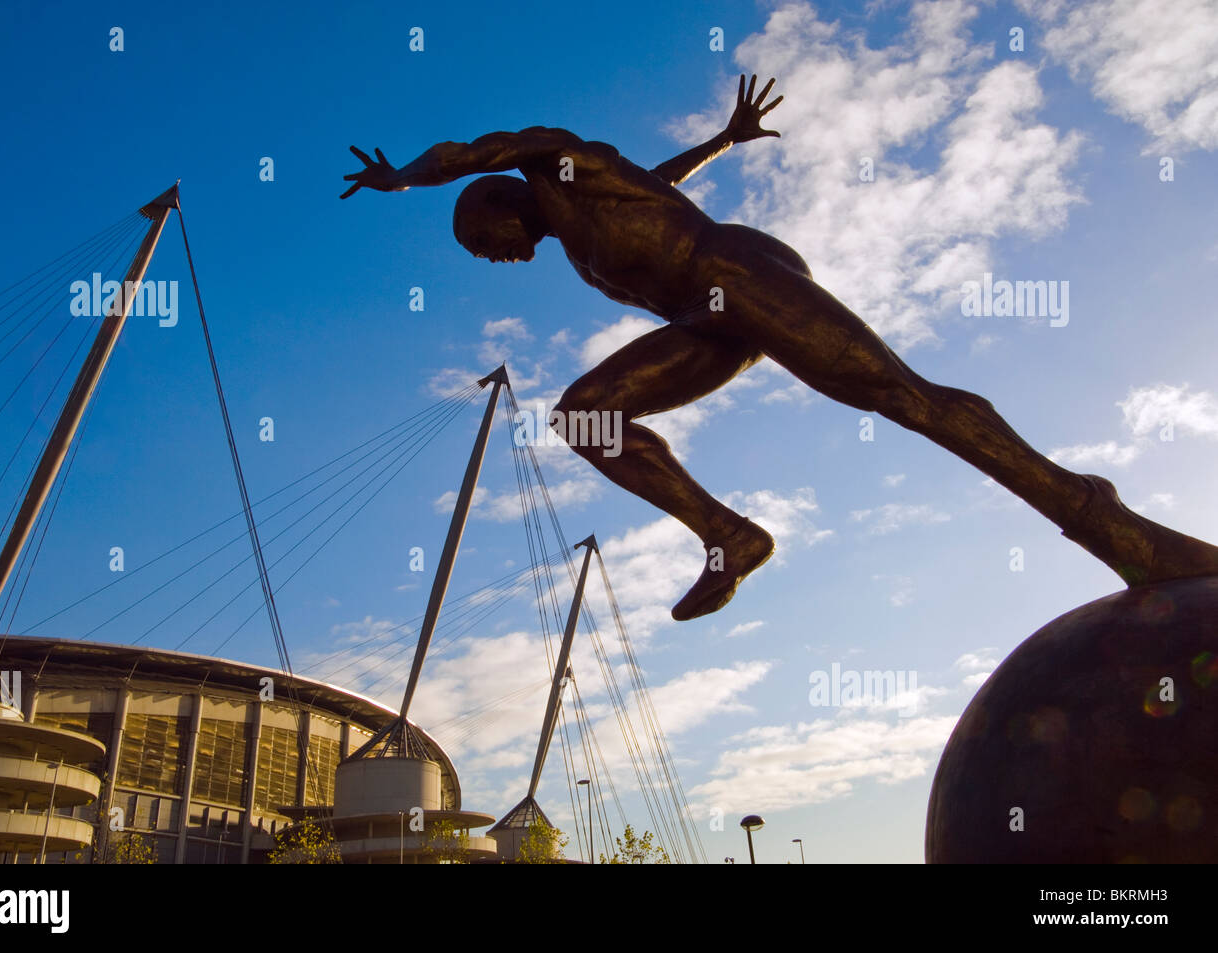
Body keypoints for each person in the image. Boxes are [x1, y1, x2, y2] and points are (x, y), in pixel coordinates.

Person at [342, 75, 1218, 620]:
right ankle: (729, 536)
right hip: (701, 321)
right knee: (585, 417)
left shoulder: (554, 163)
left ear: (491, 205)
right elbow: (664, 180)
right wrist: (724, 140)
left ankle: (1117, 529)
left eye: (480, 244)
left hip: (734, 270)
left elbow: (471, 149)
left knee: (897, 396)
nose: (492, 258)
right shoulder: (578, 234)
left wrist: (402, 179)